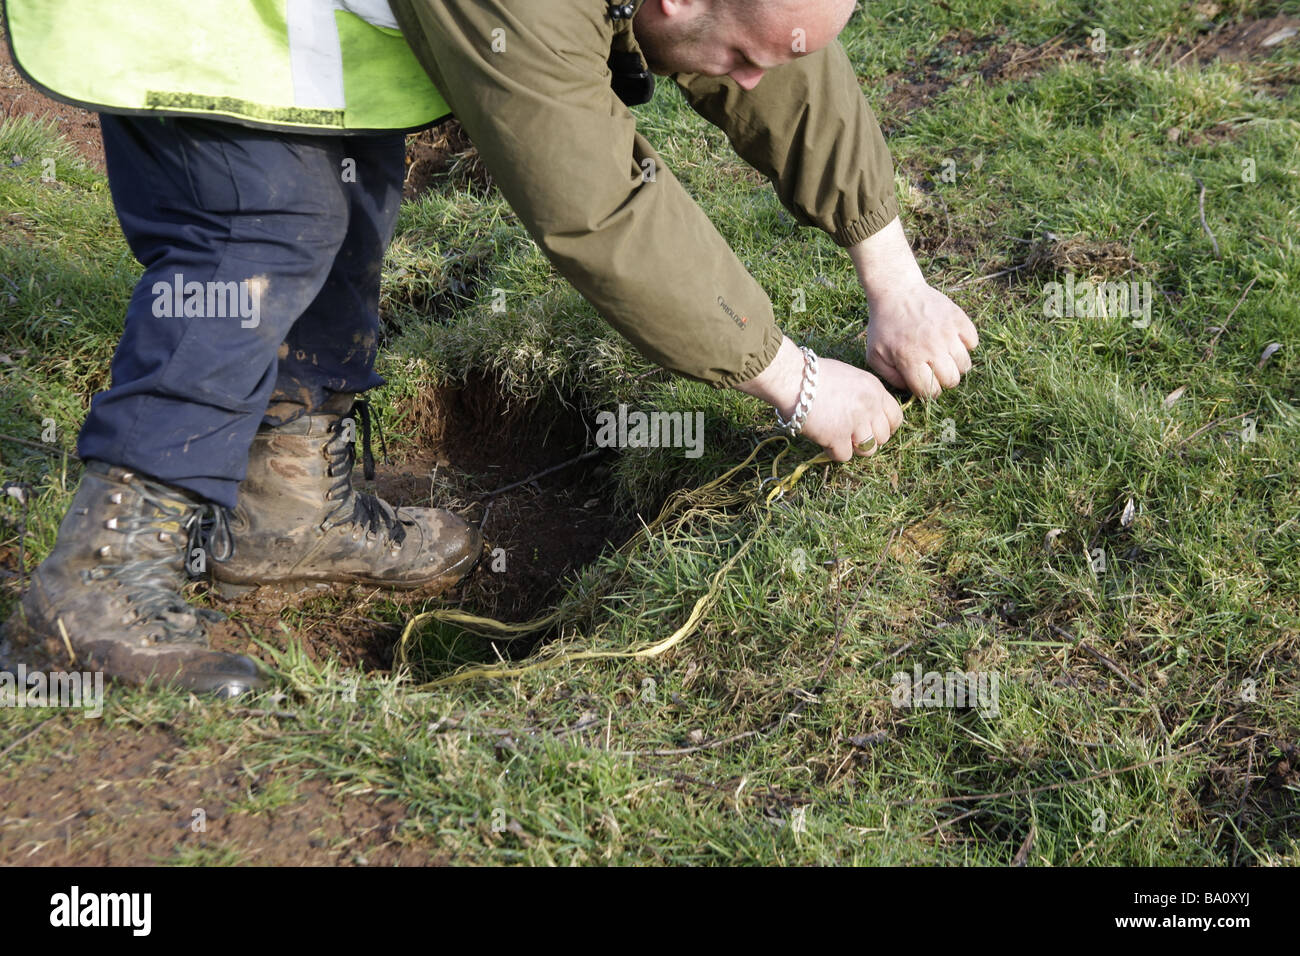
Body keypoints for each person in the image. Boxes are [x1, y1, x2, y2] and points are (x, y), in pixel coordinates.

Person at [1, 0, 977, 697]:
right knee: (255, 233)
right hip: (190, 20)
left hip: (306, 34)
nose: (754, 79)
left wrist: (894, 280)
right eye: (745, 58)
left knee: (337, 210)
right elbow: (595, 202)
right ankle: (95, 584)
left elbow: (779, 46)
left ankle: (283, 507)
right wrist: (798, 383)